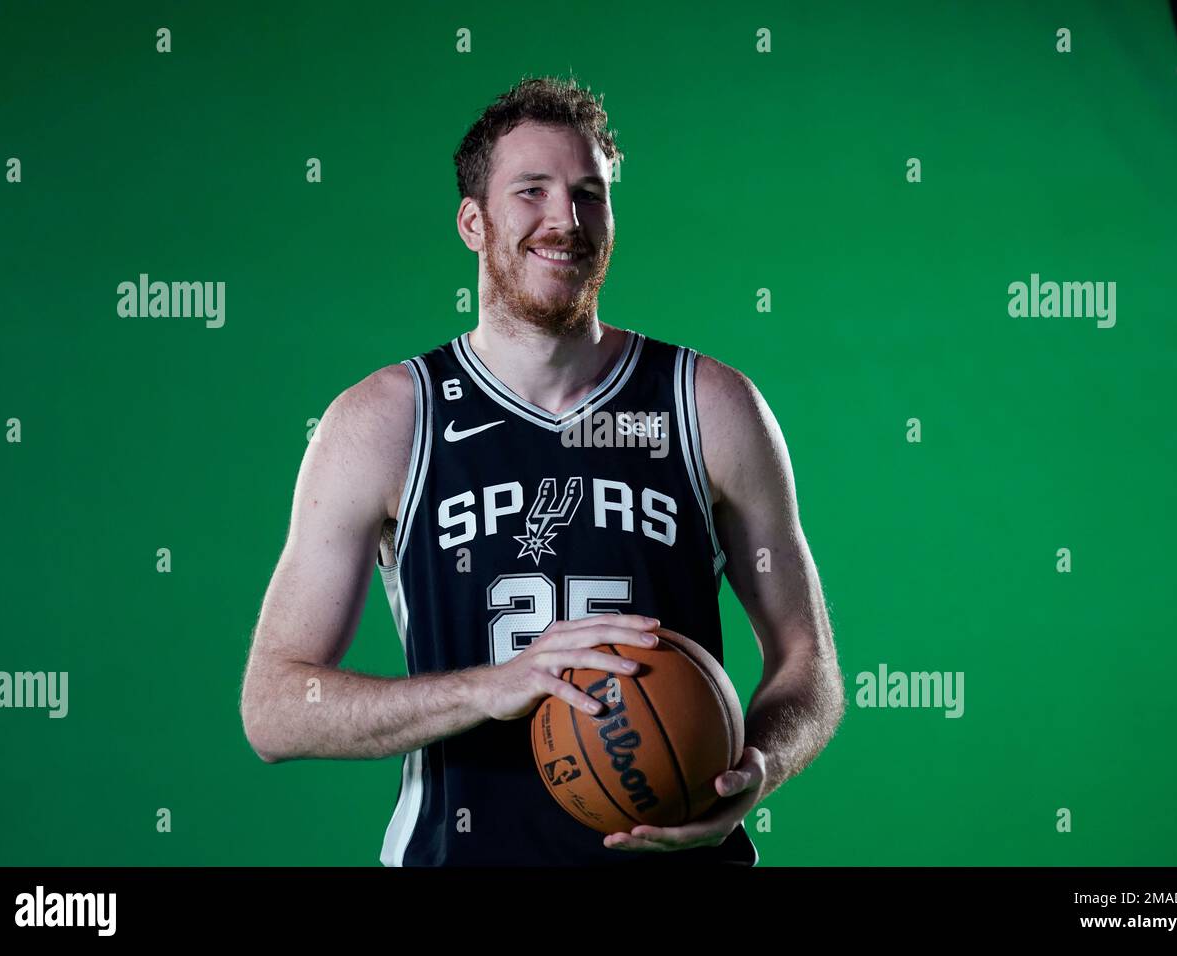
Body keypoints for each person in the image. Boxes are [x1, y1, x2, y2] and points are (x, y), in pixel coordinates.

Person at [240, 75, 844, 866]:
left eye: (590, 195)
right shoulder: (387, 421)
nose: (566, 220)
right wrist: (485, 688)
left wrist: (753, 771)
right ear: (473, 222)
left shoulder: (707, 405)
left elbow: (812, 668)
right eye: (533, 191)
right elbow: (275, 709)